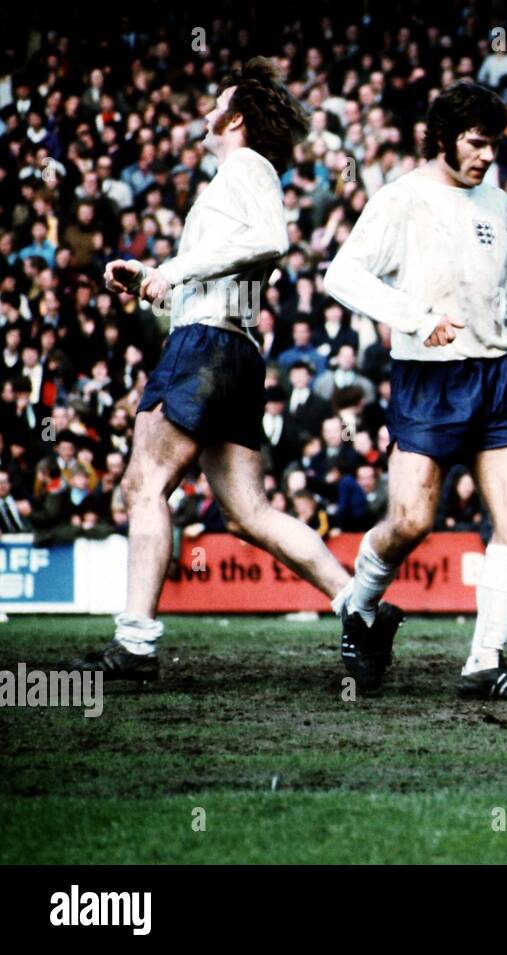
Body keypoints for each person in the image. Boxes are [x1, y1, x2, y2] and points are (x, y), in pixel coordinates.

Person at [70, 59, 363, 682]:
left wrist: (173, 271)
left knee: (143, 487)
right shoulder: (239, 176)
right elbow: (224, 273)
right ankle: (360, 606)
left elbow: (270, 240)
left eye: (219, 101)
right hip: (233, 346)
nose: (209, 108)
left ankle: (137, 644)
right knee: (250, 512)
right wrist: (154, 283)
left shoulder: (245, 166)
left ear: (235, 118)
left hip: (204, 346)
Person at [323, 80, 507, 699]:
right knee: (411, 522)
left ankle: (484, 663)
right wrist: (416, 318)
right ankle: (359, 610)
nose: (487, 155)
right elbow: (342, 275)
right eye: (476, 143)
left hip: (495, 376)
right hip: (428, 377)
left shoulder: (496, 201)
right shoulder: (402, 198)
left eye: (494, 145)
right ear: (442, 138)